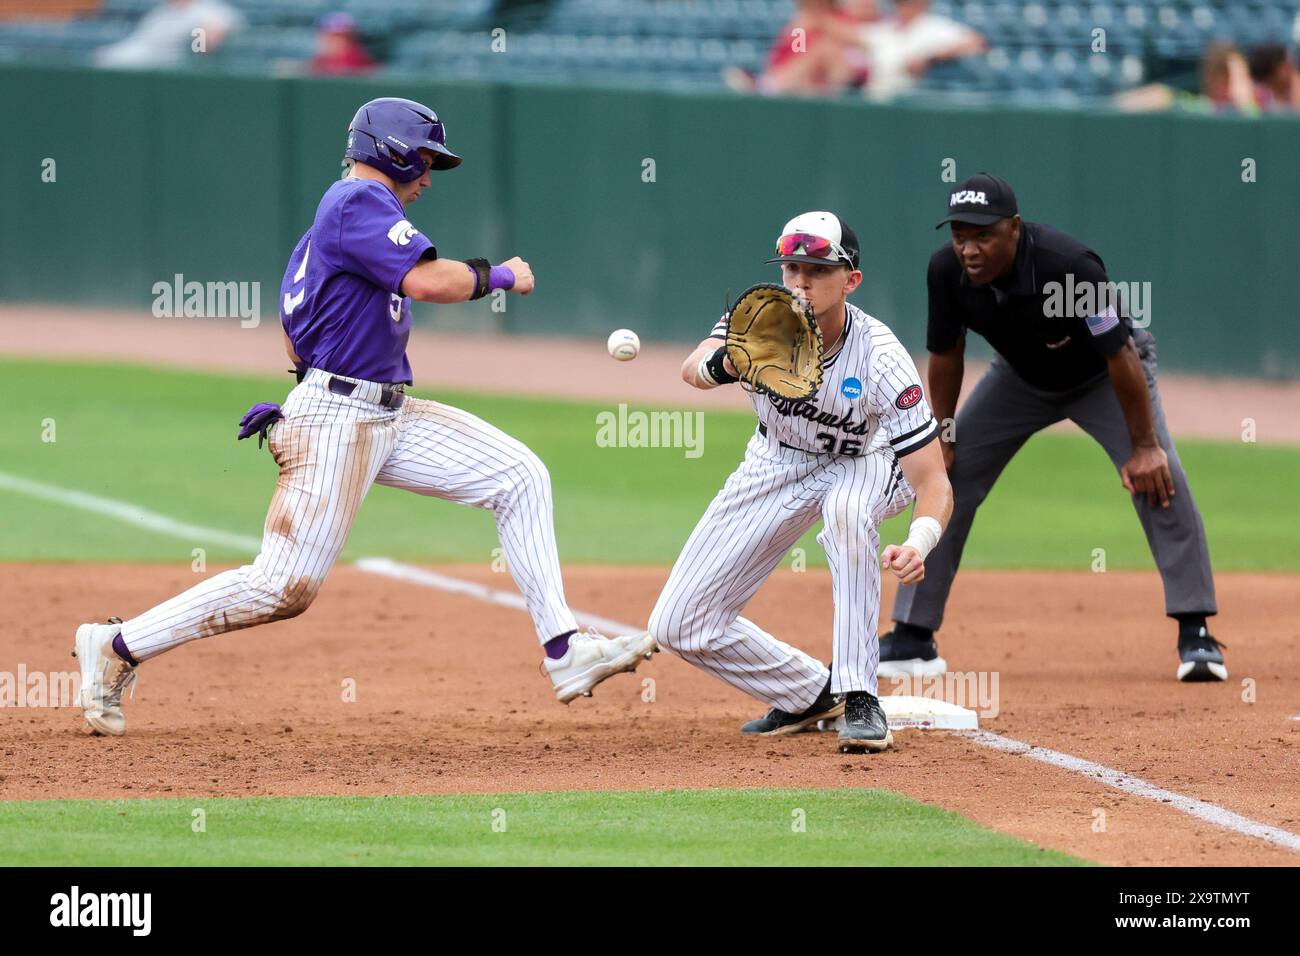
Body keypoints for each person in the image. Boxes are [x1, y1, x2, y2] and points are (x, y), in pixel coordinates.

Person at [73, 98, 655, 737]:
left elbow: (293, 341)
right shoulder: (357, 203)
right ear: (394, 150)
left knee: (520, 476)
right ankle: (115, 645)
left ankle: (564, 651)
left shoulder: (325, 228)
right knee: (283, 587)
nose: (429, 177)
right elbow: (430, 282)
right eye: (426, 160)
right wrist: (502, 275)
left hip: (382, 413)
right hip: (339, 418)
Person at [879, 173, 1226, 684]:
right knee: (944, 478)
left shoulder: (1070, 267)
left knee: (1158, 476)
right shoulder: (946, 269)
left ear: (1014, 228)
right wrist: (945, 434)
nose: (969, 248)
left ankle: (1195, 633)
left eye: (982, 235)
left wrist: (1145, 445)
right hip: (1019, 377)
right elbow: (946, 354)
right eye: (959, 235)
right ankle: (912, 634)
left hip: (1102, 377)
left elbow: (1121, 352)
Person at [648, 212, 953, 753]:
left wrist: (919, 540)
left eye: (816, 268)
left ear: (851, 280)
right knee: (677, 623)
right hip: (774, 459)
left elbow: (932, 477)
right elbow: (693, 369)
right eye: (792, 268)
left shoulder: (881, 357)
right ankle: (812, 694)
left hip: (866, 460)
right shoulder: (760, 319)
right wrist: (724, 363)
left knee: (846, 513)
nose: (800, 282)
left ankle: (861, 695)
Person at [724, 0, 876, 97]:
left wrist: (823, 24)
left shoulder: (842, 19)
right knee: (810, 58)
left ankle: (764, 88)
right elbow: (796, 54)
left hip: (840, 81)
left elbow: (862, 42)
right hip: (801, 85)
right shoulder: (800, 27)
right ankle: (766, 87)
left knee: (824, 49)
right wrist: (804, 29)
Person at [856, 0, 986, 101]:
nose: (903, 7)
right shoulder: (885, 29)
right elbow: (850, 35)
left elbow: (976, 42)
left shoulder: (932, 26)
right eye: (899, 3)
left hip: (911, 101)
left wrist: (929, 59)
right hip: (876, 101)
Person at [94, 0, 244, 69]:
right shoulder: (162, 11)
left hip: (167, 63)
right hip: (140, 55)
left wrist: (201, 41)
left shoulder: (206, 9)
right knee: (101, 58)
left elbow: (211, 36)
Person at [309, 12, 377, 77]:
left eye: (337, 36)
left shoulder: (359, 61)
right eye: (326, 35)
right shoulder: (320, 60)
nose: (328, 41)